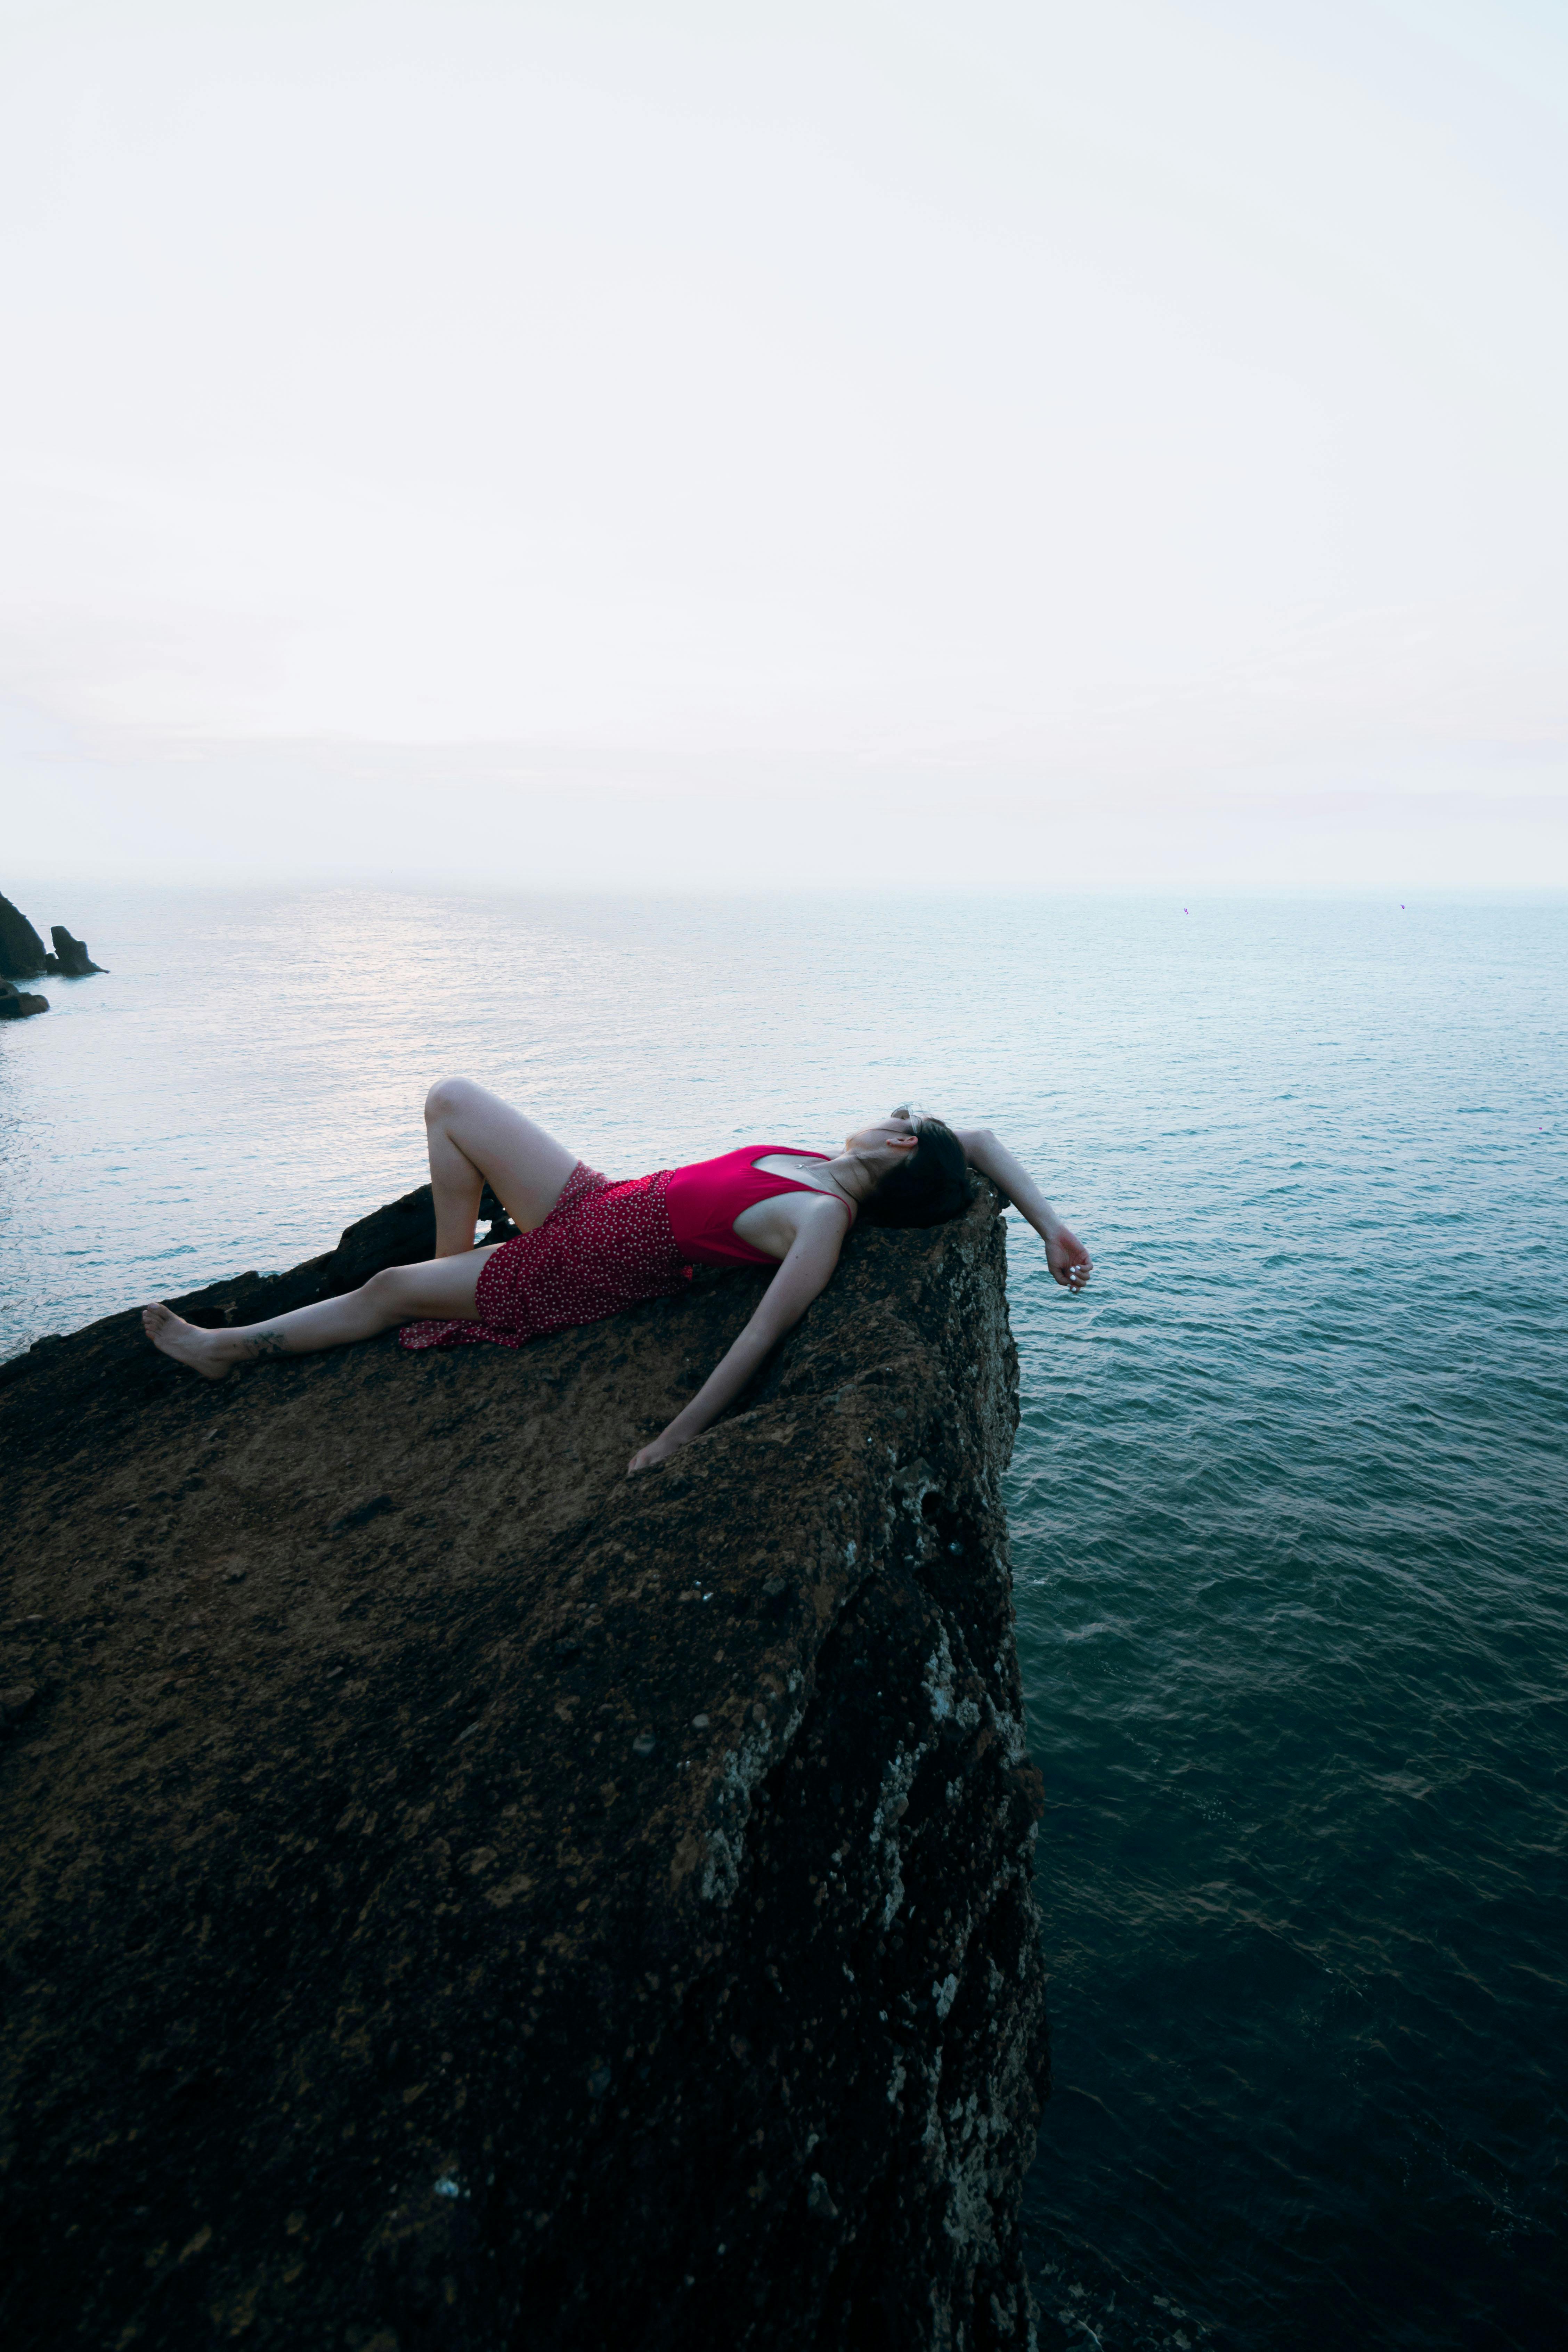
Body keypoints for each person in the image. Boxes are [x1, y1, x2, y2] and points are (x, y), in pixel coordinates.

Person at [143, 1081, 1092, 1473]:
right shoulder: (822, 1161)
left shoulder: (820, 1220)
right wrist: (1053, 1226)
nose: (893, 1114)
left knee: (388, 1289)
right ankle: (451, 1266)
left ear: (894, 1156)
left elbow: (759, 1339)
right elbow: (972, 1141)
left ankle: (231, 1351)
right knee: (453, 1101)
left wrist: (673, 1439)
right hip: (599, 1199)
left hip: (579, 1265)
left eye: (900, 1123)